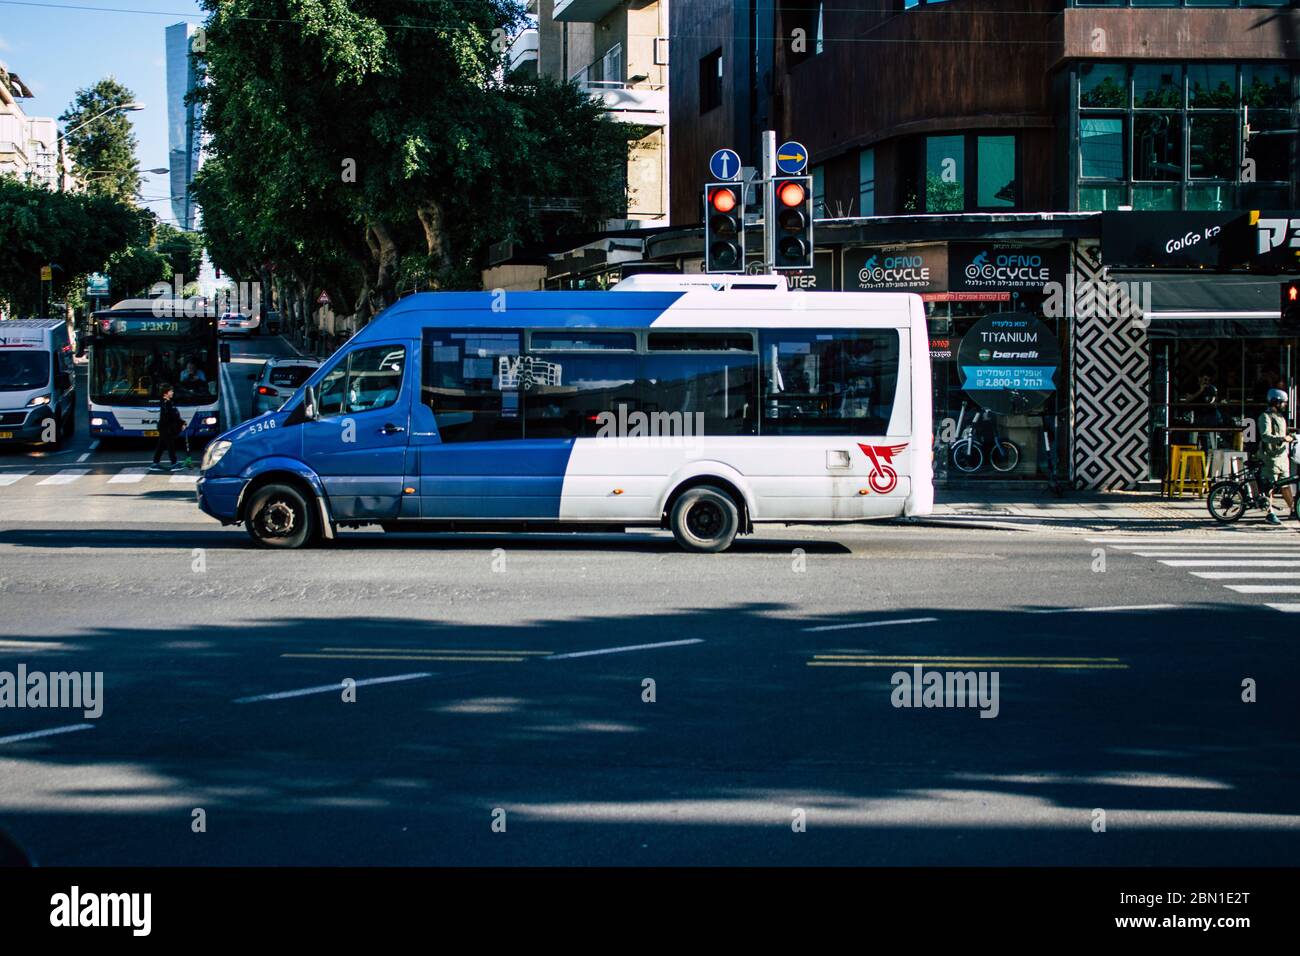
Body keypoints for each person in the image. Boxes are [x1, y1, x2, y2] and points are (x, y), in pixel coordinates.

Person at [1256, 388, 1295, 526]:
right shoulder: (1265, 417)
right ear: (1276, 402)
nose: (1285, 405)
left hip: (1282, 457)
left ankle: (1294, 510)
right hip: (1270, 457)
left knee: (1286, 484)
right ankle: (1269, 512)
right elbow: (1265, 436)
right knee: (1269, 487)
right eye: (1283, 402)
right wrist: (1282, 439)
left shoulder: (1280, 417)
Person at [150, 384, 185, 471]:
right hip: (166, 428)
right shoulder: (167, 403)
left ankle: (155, 463)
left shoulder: (167, 402)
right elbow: (173, 415)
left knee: (161, 445)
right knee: (170, 446)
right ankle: (174, 463)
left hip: (164, 427)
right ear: (165, 393)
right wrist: (182, 423)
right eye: (171, 391)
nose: (172, 392)